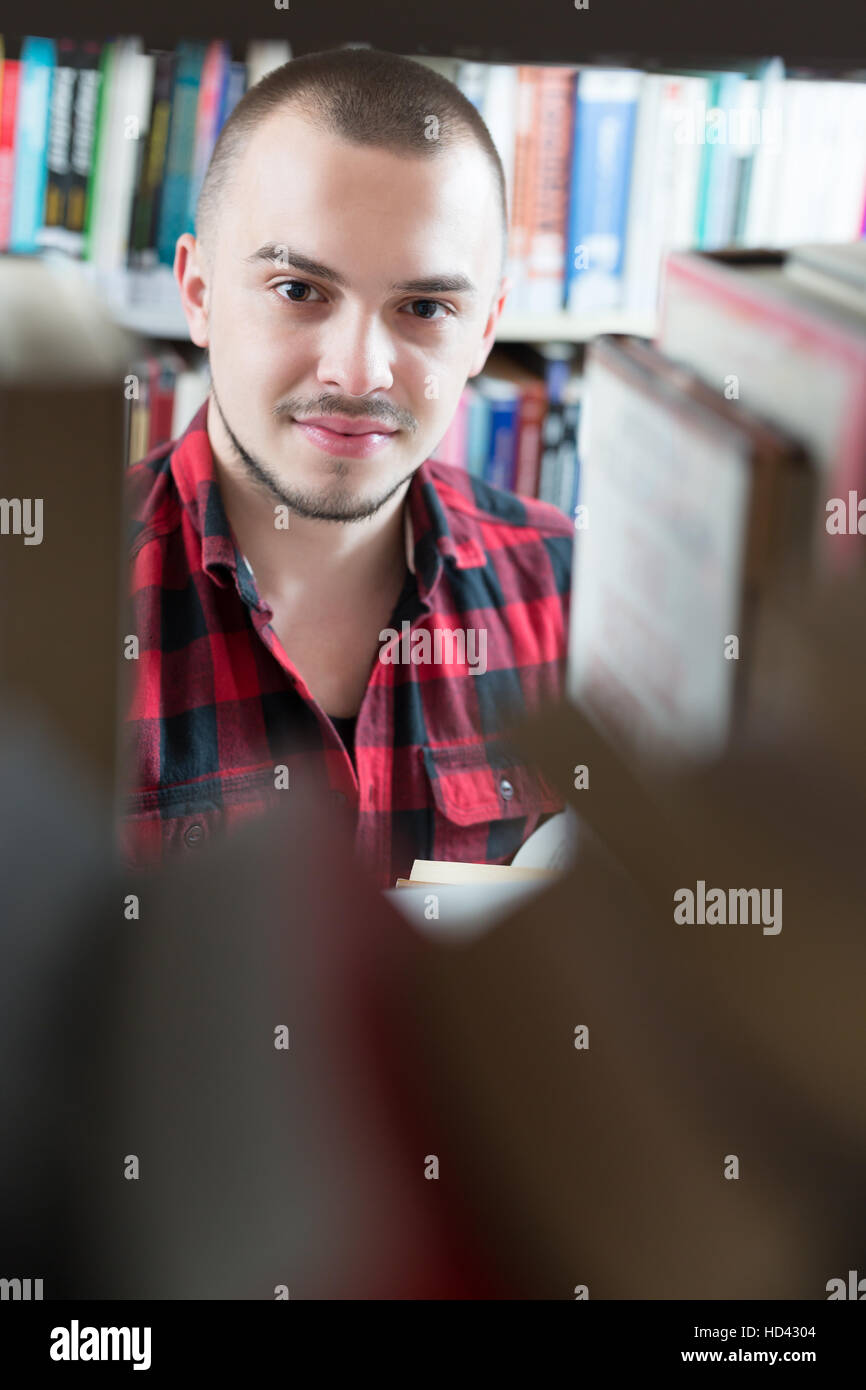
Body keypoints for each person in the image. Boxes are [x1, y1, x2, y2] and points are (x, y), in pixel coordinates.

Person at [122, 47, 572, 889]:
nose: (358, 373)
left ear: (484, 331)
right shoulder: (40, 609)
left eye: (426, 308)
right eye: (299, 290)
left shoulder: (577, 592)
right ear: (198, 293)